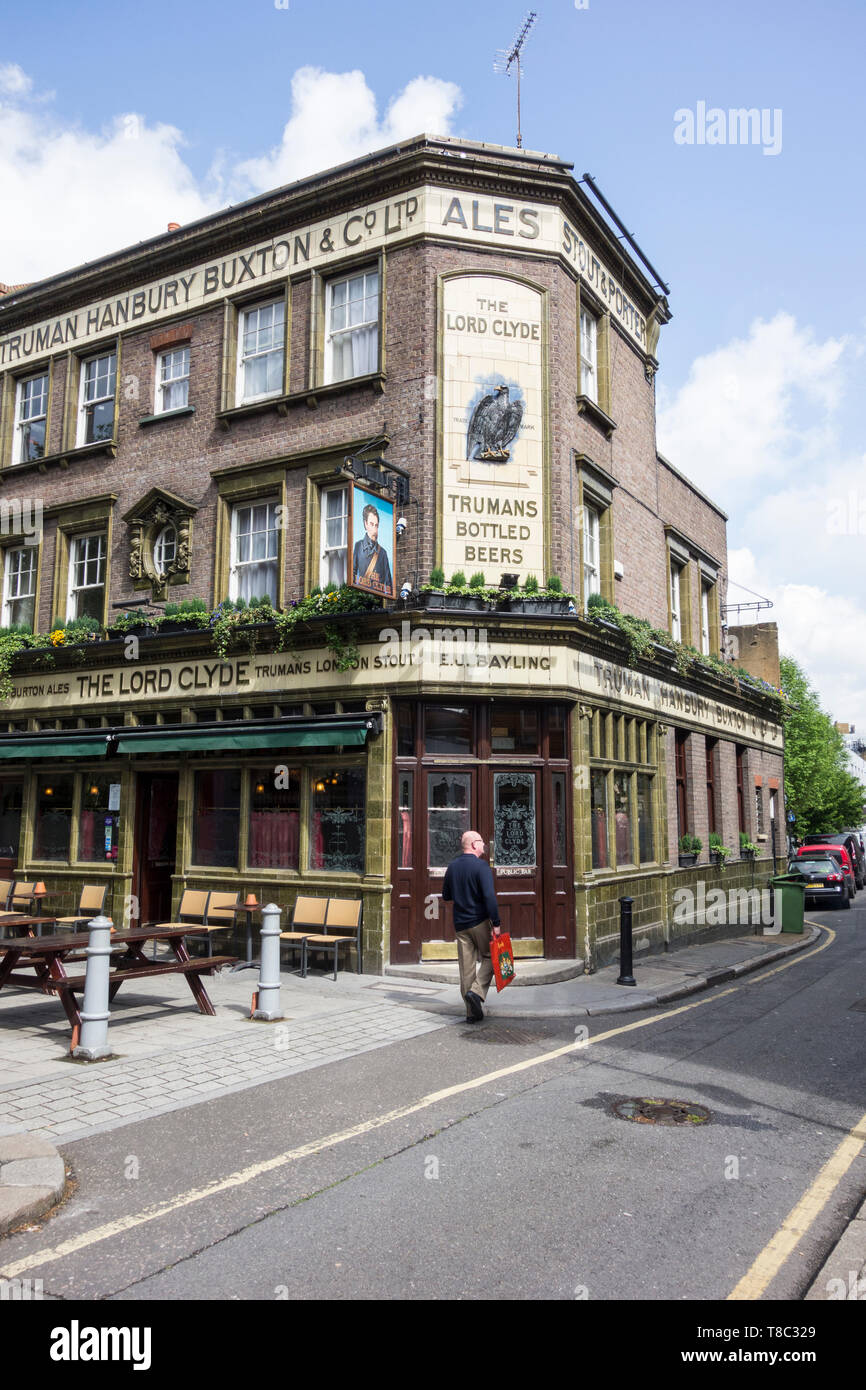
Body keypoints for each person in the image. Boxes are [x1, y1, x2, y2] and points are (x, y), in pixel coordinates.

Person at [442, 829, 501, 1022]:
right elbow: (489, 897)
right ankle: (476, 992)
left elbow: (446, 896)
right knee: (493, 958)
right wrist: (496, 923)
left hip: (460, 924)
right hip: (479, 922)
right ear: (474, 844)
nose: (484, 845)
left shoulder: (452, 867)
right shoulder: (481, 867)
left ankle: (471, 1013)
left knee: (466, 969)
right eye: (482, 841)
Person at [352, 503, 393, 595]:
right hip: (362, 598)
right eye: (371, 524)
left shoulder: (383, 553)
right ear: (365, 524)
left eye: (376, 525)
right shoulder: (358, 546)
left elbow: (389, 583)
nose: (375, 529)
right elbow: (352, 573)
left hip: (379, 601)